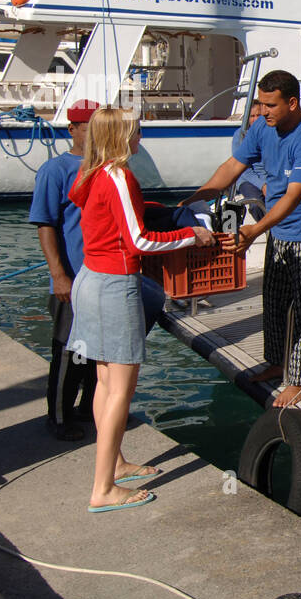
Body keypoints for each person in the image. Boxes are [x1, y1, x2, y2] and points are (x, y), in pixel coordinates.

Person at [67, 107, 213, 512]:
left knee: (103, 380)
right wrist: (190, 235)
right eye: (135, 130)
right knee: (122, 388)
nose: (140, 136)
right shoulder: (119, 176)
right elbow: (139, 241)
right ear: (121, 136)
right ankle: (103, 488)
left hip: (90, 280)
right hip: (115, 287)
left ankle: (114, 463)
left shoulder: (90, 173)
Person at [183, 69, 301, 409]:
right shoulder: (261, 129)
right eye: (261, 105)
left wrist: (254, 230)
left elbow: (293, 196)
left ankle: (300, 380)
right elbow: (231, 167)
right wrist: (194, 198)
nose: (263, 111)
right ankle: (277, 362)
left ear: (292, 103)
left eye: (270, 105)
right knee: (274, 298)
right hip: (279, 228)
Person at [29, 99, 98, 441]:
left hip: (102, 279)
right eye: (88, 127)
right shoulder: (55, 171)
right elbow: (45, 223)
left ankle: (89, 409)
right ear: (72, 129)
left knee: (97, 351)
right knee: (68, 351)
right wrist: (58, 274)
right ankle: (57, 417)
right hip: (73, 277)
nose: (94, 134)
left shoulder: (106, 167)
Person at [230, 101, 268, 221]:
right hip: (247, 179)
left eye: (258, 115)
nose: (255, 119)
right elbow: (244, 170)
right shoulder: (240, 135)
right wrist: (263, 185)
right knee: (256, 204)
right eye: (252, 116)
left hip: (268, 177)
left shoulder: (271, 133)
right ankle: (268, 231)